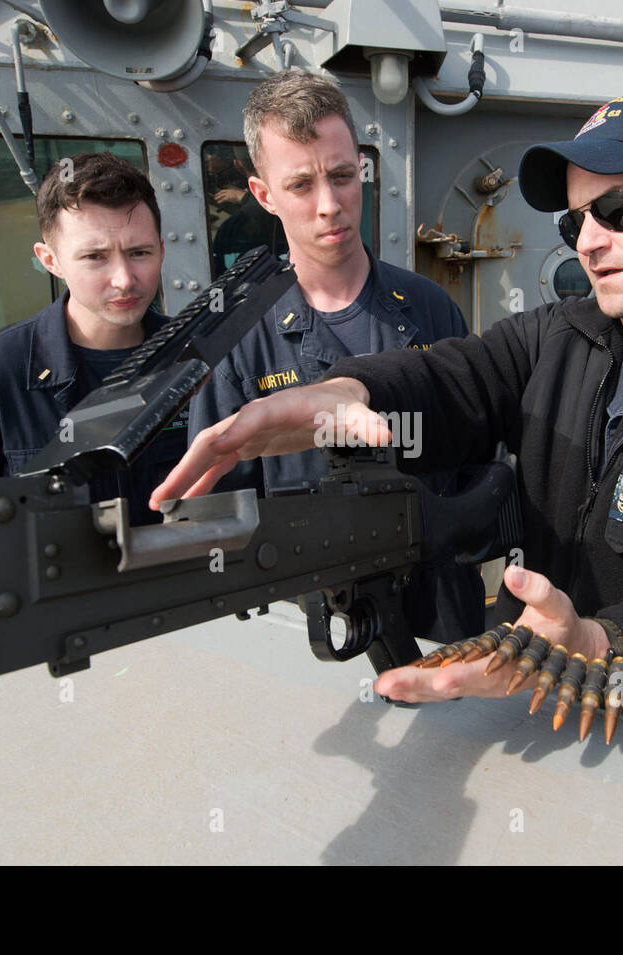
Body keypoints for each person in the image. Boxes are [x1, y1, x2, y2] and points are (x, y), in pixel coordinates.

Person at [157, 92, 623, 703]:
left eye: (614, 210)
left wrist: (601, 645)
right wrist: (339, 397)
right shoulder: (561, 336)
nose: (588, 241)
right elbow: (453, 382)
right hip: (542, 713)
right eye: (575, 221)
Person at [188, 69, 485, 645]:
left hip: (441, 610)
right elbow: (222, 517)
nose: (330, 205)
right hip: (314, 624)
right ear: (263, 195)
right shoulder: (238, 337)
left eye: (343, 176)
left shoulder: (431, 309)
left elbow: (474, 463)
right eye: (301, 185)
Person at [0, 152, 185, 525]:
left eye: (139, 253)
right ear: (49, 259)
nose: (123, 279)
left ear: (161, 251)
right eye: (94, 257)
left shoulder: (199, 358)